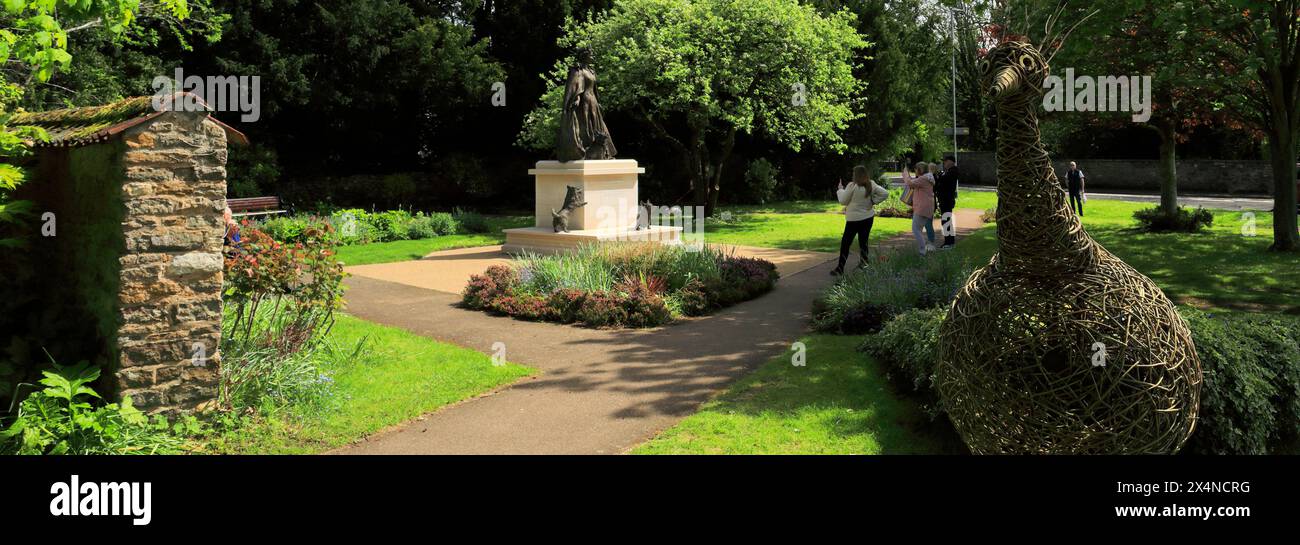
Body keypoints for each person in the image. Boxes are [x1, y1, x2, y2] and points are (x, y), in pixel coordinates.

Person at [832, 165, 890, 275]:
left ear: (856, 174)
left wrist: (840, 190)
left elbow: (843, 201)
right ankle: (864, 263)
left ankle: (840, 268)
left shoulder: (852, 186)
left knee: (846, 243)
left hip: (853, 220)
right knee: (863, 242)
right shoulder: (871, 184)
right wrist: (874, 201)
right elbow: (885, 193)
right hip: (868, 218)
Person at [902, 162, 937, 256]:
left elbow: (909, 183)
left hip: (922, 208)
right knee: (919, 229)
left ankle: (922, 251)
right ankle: (925, 247)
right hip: (926, 207)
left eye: (916, 169)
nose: (915, 171)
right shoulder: (927, 178)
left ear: (920, 170)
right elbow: (913, 184)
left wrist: (905, 173)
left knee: (916, 229)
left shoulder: (923, 179)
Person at [934, 156, 960, 248]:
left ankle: (949, 242)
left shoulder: (953, 171)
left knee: (946, 221)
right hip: (945, 200)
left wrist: (938, 175)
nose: (944, 163)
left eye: (945, 161)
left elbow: (942, 180)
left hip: (947, 200)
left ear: (950, 161)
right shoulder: (949, 172)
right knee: (946, 221)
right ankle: (948, 241)